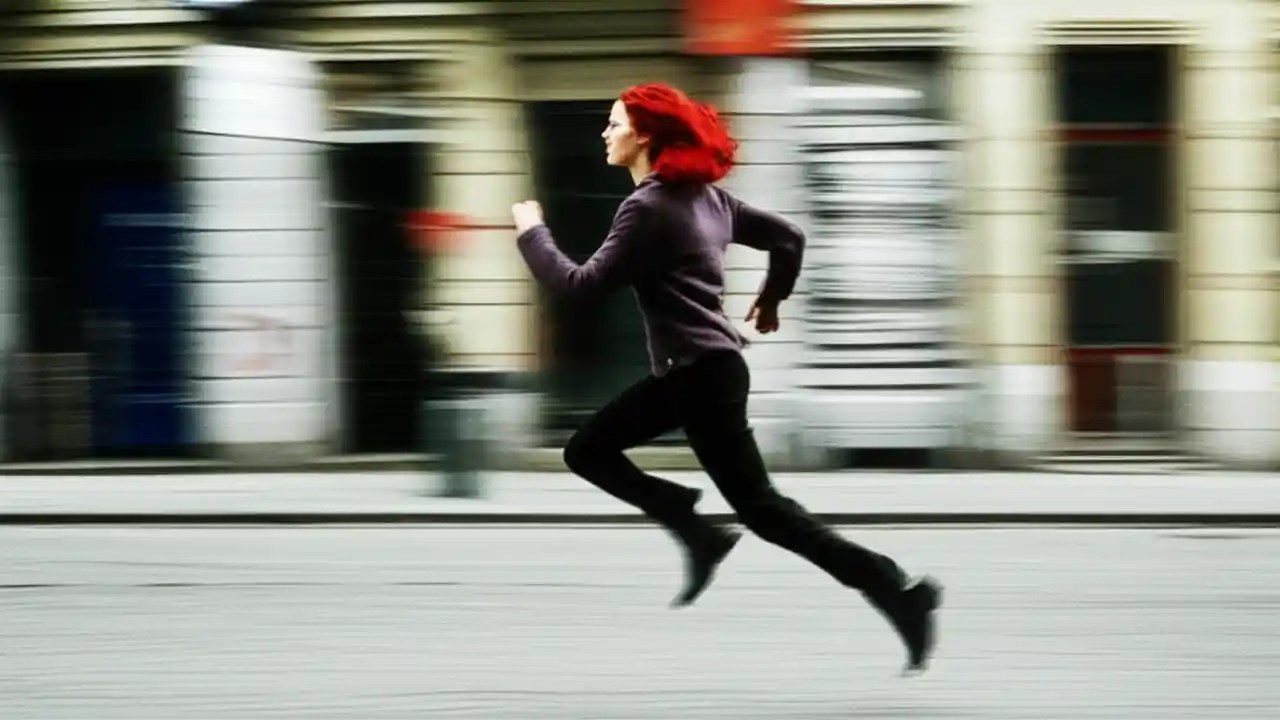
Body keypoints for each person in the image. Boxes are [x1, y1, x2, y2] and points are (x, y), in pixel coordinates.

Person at [511, 83, 941, 674]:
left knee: (764, 511)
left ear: (644, 135)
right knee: (589, 450)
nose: (604, 134)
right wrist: (771, 300)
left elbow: (578, 287)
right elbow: (789, 238)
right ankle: (696, 530)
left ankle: (894, 589)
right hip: (698, 373)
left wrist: (531, 231)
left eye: (614, 124)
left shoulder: (648, 206)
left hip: (700, 378)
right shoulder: (708, 199)